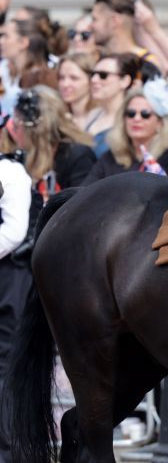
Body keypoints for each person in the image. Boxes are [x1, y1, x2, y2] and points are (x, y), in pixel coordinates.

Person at [3, 87, 96, 203]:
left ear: (33, 130)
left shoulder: (77, 156)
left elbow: (82, 206)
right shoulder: (26, 155)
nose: (13, 131)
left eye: (17, 125)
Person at [0, 139, 32, 462]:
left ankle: (10, 453)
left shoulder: (10, 172)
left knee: (6, 368)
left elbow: (14, 231)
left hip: (9, 278)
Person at [84, 86, 168, 184]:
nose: (136, 119)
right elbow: (85, 191)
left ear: (160, 122)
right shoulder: (111, 156)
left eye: (145, 114)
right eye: (131, 113)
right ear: (123, 119)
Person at [84, 52, 140, 156]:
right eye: (93, 74)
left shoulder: (132, 118)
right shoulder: (93, 114)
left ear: (125, 81)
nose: (94, 80)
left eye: (103, 75)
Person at [0, 19, 57, 114]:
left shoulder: (40, 77)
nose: (1, 41)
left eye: (6, 36)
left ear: (23, 43)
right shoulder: (10, 72)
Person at [90, 0, 159, 66]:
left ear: (114, 21)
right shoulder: (95, 61)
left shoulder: (145, 62)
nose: (90, 25)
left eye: (95, 19)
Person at [57, 53, 97, 132]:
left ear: (91, 80)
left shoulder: (101, 118)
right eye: (61, 78)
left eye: (74, 78)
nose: (65, 84)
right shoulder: (58, 119)